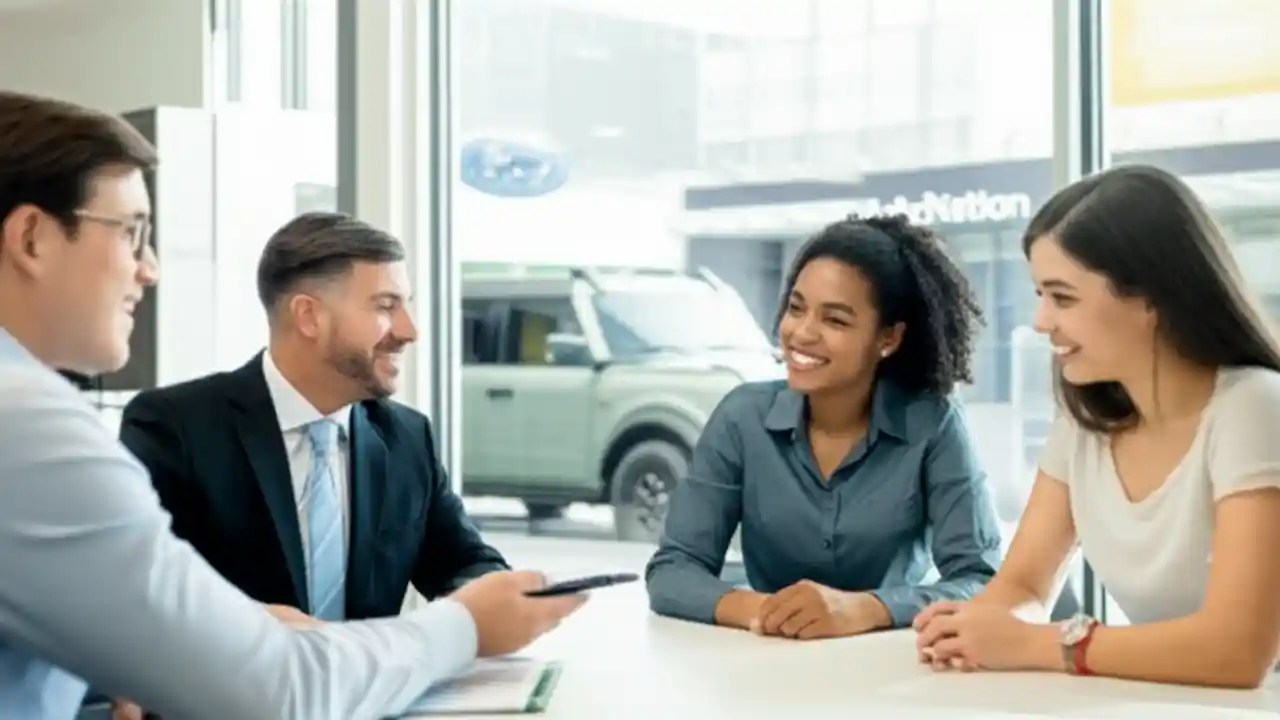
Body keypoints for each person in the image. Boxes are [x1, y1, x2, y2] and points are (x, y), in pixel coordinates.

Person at [0, 90, 583, 720]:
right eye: (133, 233)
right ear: (31, 236)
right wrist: (464, 625)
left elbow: (93, 610)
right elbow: (274, 688)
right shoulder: (39, 427)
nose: (151, 269)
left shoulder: (406, 436)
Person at [913, 165, 1280, 689]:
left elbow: (1237, 651)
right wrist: (972, 630)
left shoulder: (1255, 407)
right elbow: (1022, 583)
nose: (1041, 321)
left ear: (1153, 299)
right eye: (1040, 294)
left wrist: (1041, 644)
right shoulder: (1086, 422)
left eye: (1062, 297)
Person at [119, 212, 508, 627]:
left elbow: (463, 562)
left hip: (370, 691)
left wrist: (501, 595)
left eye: (406, 306)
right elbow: (138, 587)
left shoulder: (408, 438)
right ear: (308, 316)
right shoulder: (175, 427)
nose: (409, 330)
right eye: (386, 306)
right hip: (226, 687)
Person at [646, 214, 1003, 638]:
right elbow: (672, 570)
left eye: (835, 320)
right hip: (764, 663)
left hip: (893, 668)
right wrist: (767, 611)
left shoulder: (933, 422)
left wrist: (866, 609)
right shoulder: (742, 417)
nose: (802, 333)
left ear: (888, 338)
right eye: (796, 308)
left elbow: (980, 582)